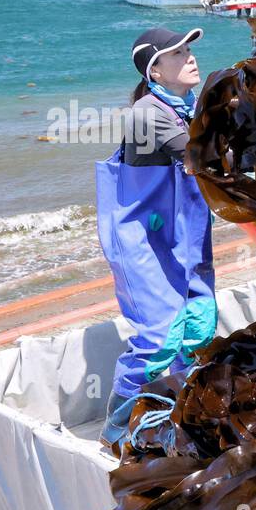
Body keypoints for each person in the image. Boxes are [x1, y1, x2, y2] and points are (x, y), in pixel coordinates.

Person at [96, 27, 217, 446]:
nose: (190, 58)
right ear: (155, 71)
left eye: (189, 50)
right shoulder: (147, 115)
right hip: (143, 242)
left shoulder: (189, 106)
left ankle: (185, 410)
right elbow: (205, 156)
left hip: (188, 238)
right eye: (177, 53)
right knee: (160, 336)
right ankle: (117, 429)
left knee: (199, 327)